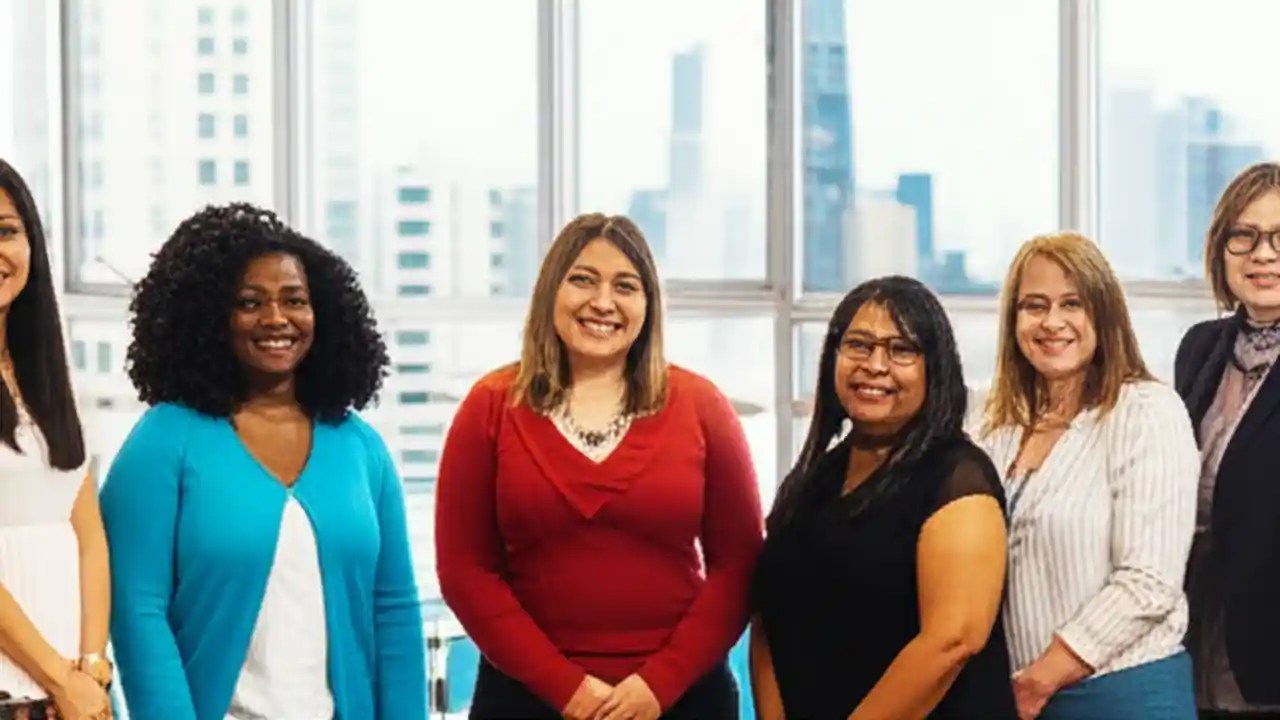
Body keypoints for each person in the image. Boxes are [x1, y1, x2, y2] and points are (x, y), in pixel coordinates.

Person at [99, 203, 426, 720]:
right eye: (249, 303)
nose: (276, 319)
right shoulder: (163, 442)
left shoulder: (360, 448)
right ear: (210, 318)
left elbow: (394, 609)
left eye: (294, 300)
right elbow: (138, 611)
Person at [435, 213, 764, 720]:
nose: (603, 302)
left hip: (680, 700)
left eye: (625, 286)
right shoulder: (490, 406)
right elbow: (466, 571)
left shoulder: (701, 406)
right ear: (551, 292)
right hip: (528, 699)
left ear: (648, 305)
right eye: (583, 280)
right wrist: (567, 689)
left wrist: (659, 684)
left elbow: (739, 563)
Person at [751, 276, 1017, 719]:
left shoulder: (958, 478)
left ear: (934, 368)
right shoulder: (815, 479)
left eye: (902, 350)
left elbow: (953, 640)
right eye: (858, 345)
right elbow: (768, 617)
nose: (875, 365)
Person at [972, 232, 1200, 718]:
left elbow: (1149, 581)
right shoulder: (996, 429)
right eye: (1034, 305)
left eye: (1072, 303)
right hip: (1019, 696)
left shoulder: (1146, 411)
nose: (1052, 322)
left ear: (1104, 314)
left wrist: (1040, 680)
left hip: (1124, 696)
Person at [0, 159, 112, 720]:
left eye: (6, 230)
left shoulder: (59, 385)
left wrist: (91, 667)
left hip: (69, 698)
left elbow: (88, 533)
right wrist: (59, 679)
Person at [1176, 162, 1280, 718]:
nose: (1262, 254)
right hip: (1198, 626)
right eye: (1245, 235)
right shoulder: (1201, 347)